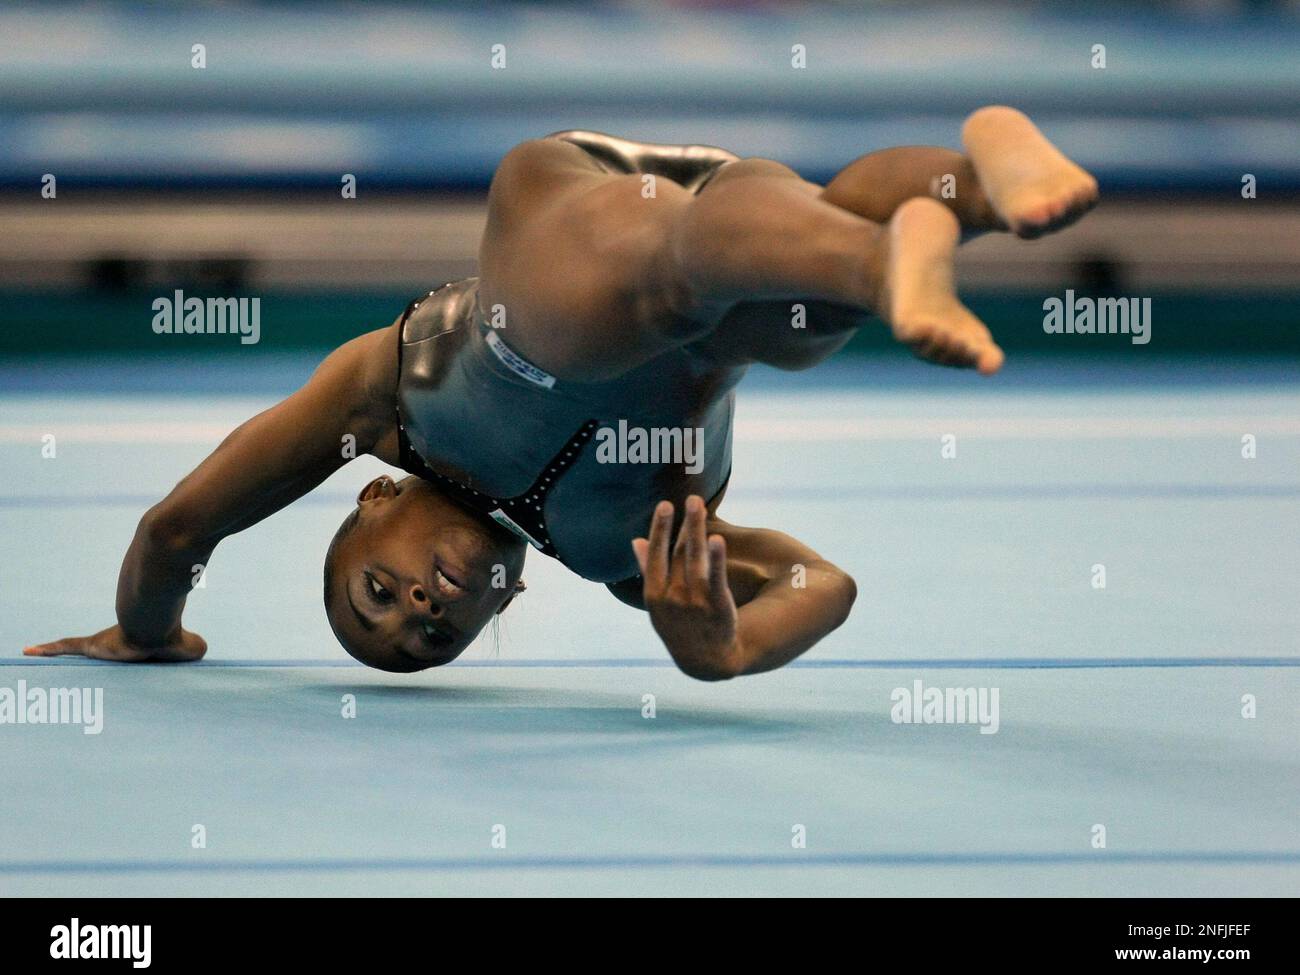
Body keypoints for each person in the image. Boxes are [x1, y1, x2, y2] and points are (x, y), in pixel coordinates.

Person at [25, 106, 1098, 680]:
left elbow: (178, 528)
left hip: (576, 209)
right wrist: (718, 648)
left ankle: (886, 263)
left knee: (605, 318)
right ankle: (974, 186)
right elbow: (822, 581)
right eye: (435, 635)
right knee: (791, 321)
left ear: (375, 502)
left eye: (380, 595)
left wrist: (146, 634)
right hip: (745, 243)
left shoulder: (379, 406)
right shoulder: (614, 553)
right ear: (508, 599)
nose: (425, 606)